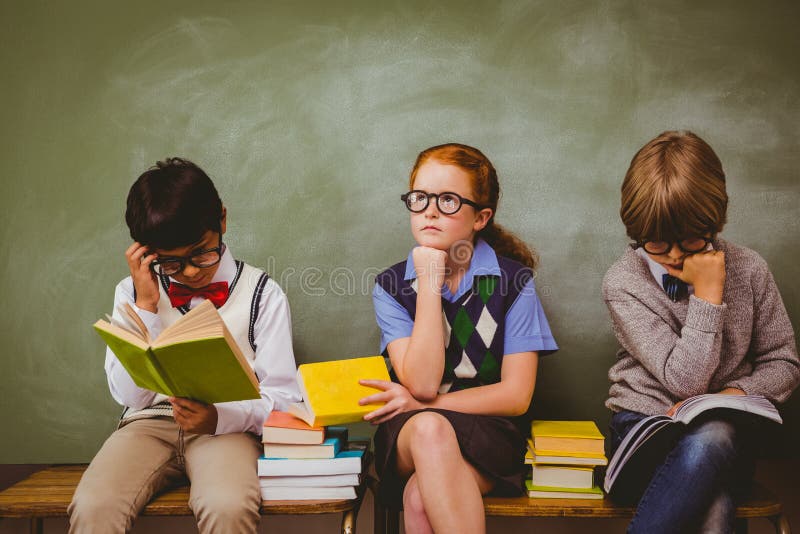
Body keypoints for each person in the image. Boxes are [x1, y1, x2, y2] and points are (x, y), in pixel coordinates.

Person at [69, 157, 301, 533]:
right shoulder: (130, 292)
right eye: (172, 264)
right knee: (93, 505)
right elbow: (129, 396)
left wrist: (219, 417)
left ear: (222, 221)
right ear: (146, 252)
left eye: (202, 253)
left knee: (227, 505)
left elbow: (286, 399)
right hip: (147, 425)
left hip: (227, 430)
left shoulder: (262, 293)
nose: (192, 272)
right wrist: (144, 308)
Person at [604, 131, 800, 533]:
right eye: (657, 243)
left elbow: (784, 362)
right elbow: (685, 380)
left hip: (725, 441)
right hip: (643, 434)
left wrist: (733, 396)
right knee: (715, 494)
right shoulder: (624, 282)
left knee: (715, 436)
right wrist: (708, 297)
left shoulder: (749, 269)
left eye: (691, 239)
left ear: (716, 220)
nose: (675, 255)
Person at [360, 143, 558, 534]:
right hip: (410, 431)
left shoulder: (514, 283)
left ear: (480, 217)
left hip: (488, 434)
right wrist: (429, 284)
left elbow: (516, 396)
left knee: (419, 498)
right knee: (431, 428)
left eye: (448, 200)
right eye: (420, 198)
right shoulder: (391, 287)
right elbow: (422, 381)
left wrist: (424, 402)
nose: (430, 210)